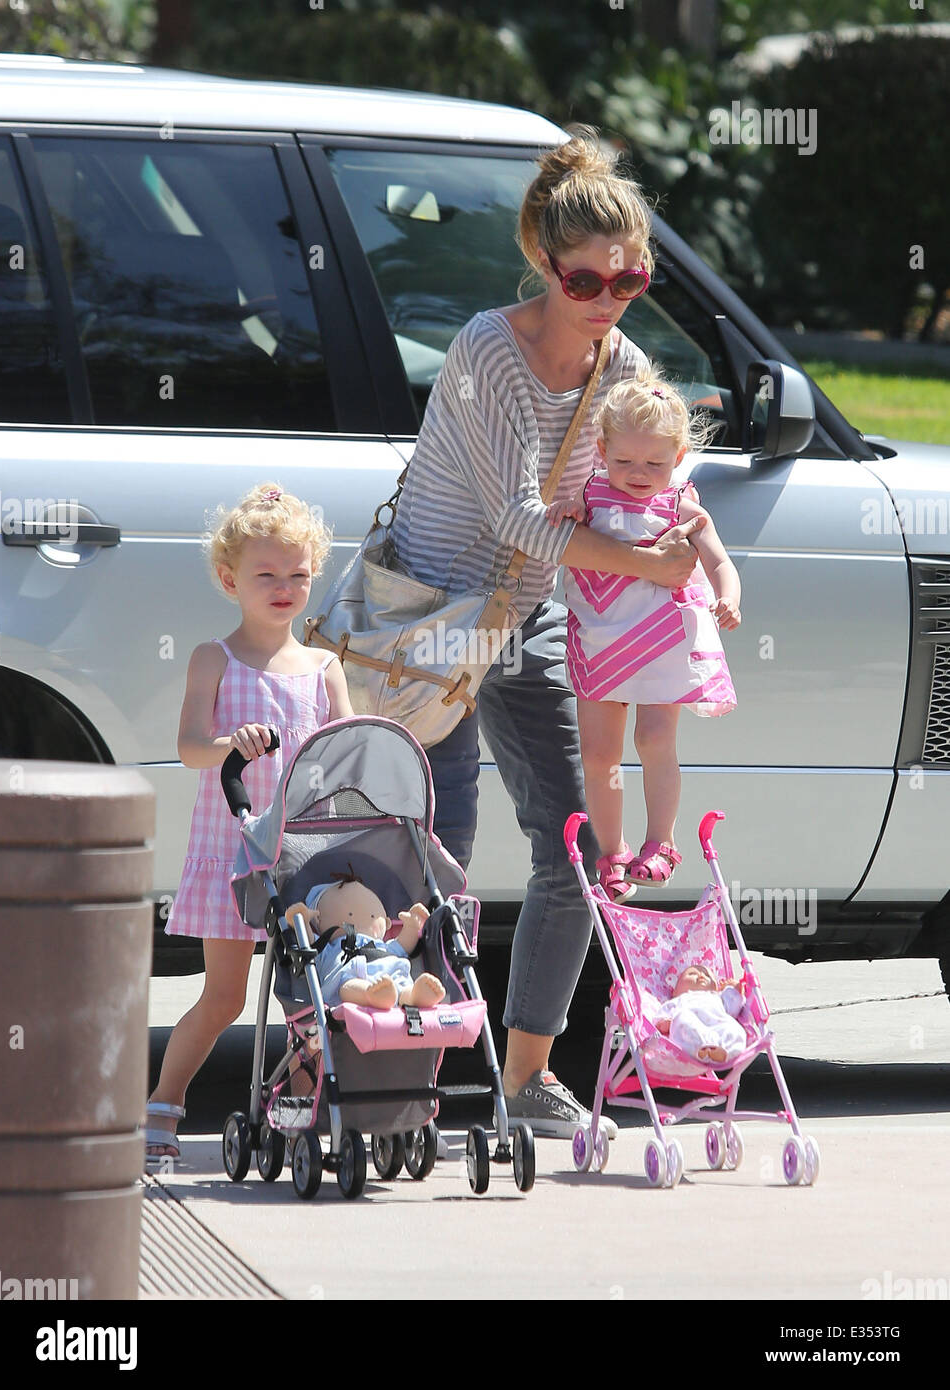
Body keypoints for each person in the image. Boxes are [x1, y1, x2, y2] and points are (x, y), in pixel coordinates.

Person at [390, 124, 706, 1140]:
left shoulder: (623, 364)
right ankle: (402, 1072)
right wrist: (647, 566)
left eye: (632, 280)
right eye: (587, 282)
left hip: (524, 617)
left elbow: (647, 486)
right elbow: (518, 518)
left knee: (576, 843)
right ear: (543, 262)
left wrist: (692, 553)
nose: (609, 301)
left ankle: (524, 1076)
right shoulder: (488, 348)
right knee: (433, 852)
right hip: (428, 614)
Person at [144, 483, 353, 1163]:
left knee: (306, 1000)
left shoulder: (324, 667)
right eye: (266, 574)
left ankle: (291, 1114)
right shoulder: (214, 657)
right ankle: (163, 1106)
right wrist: (232, 743)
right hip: (235, 848)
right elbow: (189, 750)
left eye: (297, 574)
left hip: (308, 857)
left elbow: (349, 749)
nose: (284, 586)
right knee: (226, 995)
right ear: (230, 579)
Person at [549, 369, 740, 901]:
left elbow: (720, 561)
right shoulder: (589, 494)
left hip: (660, 641)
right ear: (603, 451)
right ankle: (611, 851)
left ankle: (662, 844)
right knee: (599, 753)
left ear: (678, 458)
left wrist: (729, 597)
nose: (638, 474)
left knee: (655, 740)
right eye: (624, 461)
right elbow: (561, 528)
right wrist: (566, 510)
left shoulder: (681, 504)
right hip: (601, 639)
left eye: (654, 463)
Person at [292, 874, 445, 1010]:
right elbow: (309, 944)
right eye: (350, 914)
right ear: (318, 919)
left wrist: (412, 927)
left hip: (390, 971)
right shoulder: (329, 947)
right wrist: (302, 923)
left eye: (374, 916)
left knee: (400, 980)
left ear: (387, 922)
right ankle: (370, 995)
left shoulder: (384, 946)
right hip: (351, 978)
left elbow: (403, 945)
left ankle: (412, 997)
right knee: (346, 986)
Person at [651, 964, 747, 1065]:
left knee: (736, 1029)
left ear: (716, 988)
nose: (701, 975)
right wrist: (664, 1023)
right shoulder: (679, 999)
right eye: (692, 974)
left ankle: (724, 1051)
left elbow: (735, 1006)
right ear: (675, 991)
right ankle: (699, 1048)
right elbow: (660, 1018)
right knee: (682, 1019)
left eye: (707, 975)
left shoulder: (718, 997)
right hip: (693, 1029)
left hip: (718, 1026)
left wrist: (735, 988)